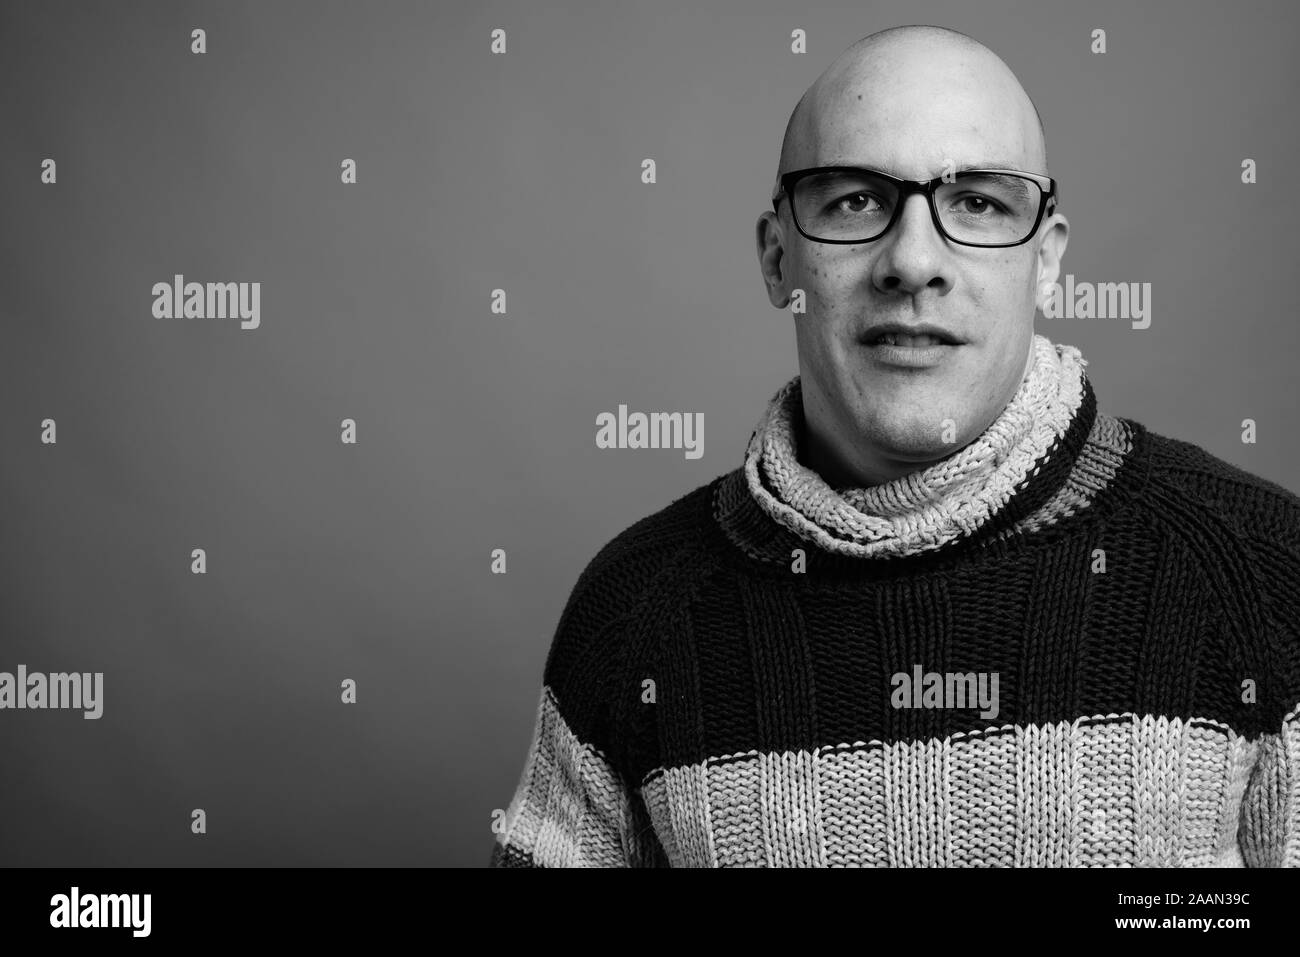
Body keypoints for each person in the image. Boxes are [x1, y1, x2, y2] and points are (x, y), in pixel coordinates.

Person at [490, 24, 1300, 867]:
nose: (913, 261)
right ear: (778, 260)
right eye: (854, 201)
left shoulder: (1269, 577)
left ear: (1048, 260)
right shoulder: (632, 612)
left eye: (978, 203)